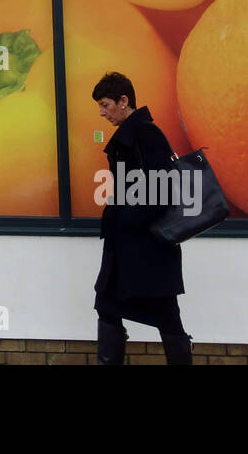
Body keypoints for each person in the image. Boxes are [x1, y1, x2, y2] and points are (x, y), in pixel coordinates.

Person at [91, 71, 193, 365]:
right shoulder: (132, 133)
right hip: (126, 246)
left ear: (124, 101)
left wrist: (126, 219)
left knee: (166, 315)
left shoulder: (146, 133)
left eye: (105, 104)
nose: (102, 112)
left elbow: (163, 190)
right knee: (107, 305)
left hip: (147, 247)